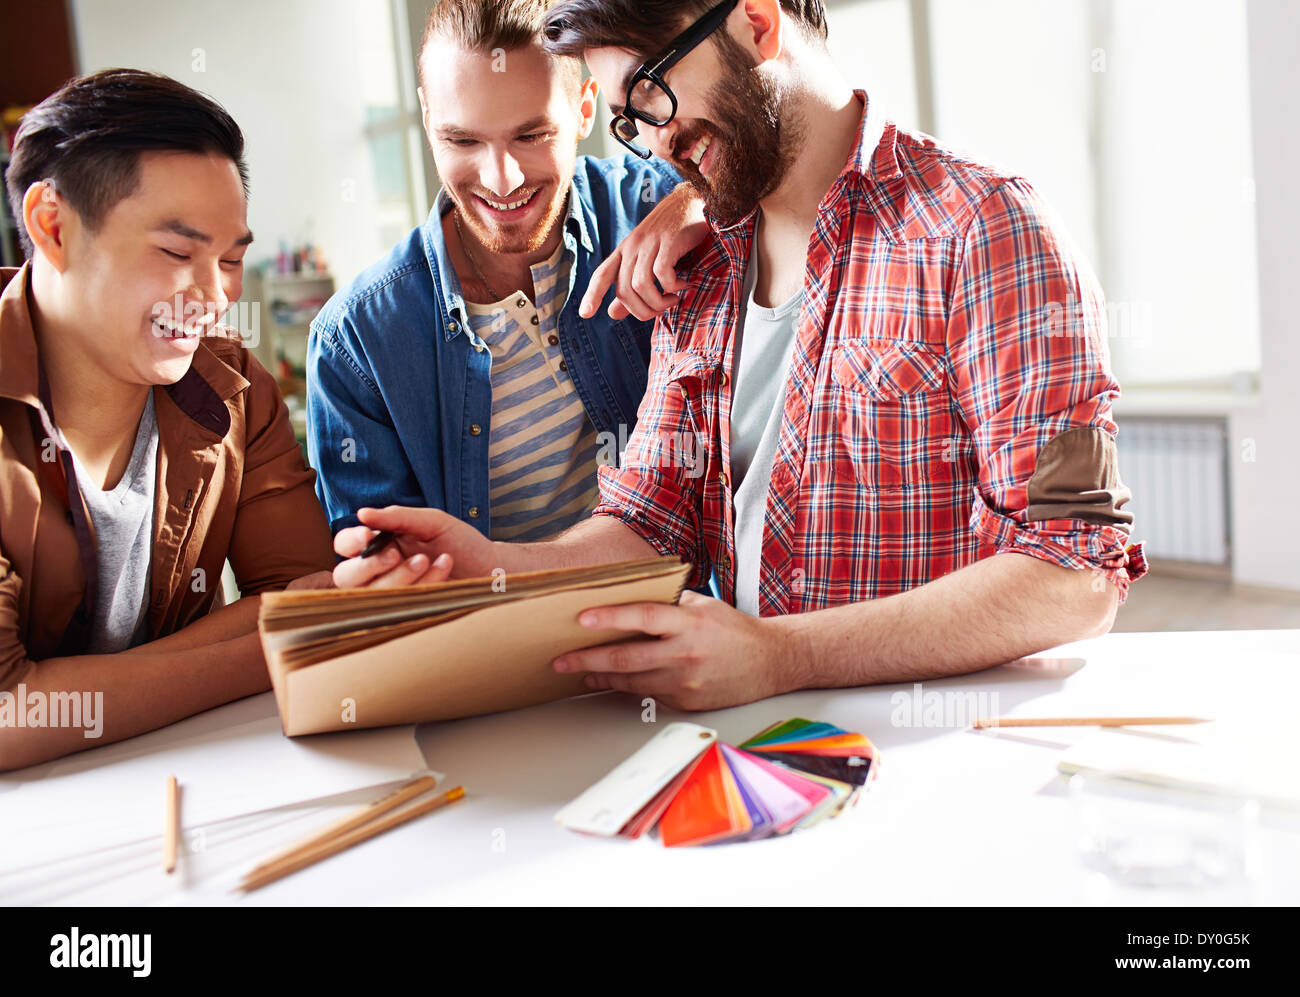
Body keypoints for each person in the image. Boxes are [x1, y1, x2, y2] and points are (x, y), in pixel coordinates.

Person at [330, 0, 1147, 712]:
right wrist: (495, 564)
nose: (654, 145)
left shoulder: (988, 227)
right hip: (768, 750)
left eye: (652, 96)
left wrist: (781, 656)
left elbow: (1076, 569)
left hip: (941, 755)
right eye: (629, 119)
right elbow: (651, 523)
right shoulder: (697, 269)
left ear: (756, 20)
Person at [0, 70, 335, 769]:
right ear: (51, 225)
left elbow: (311, 606)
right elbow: (9, 711)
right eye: (178, 254)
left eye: (231, 259)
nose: (214, 297)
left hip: (184, 778)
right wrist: (260, 649)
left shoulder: (234, 385)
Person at [306, 0, 709, 556]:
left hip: (685, 617)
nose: (502, 180)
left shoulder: (650, 203)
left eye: (532, 135)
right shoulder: (355, 342)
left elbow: (772, 168)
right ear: (428, 120)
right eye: (463, 141)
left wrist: (698, 199)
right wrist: (385, 572)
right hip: (492, 635)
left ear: (585, 107)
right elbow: (384, 573)